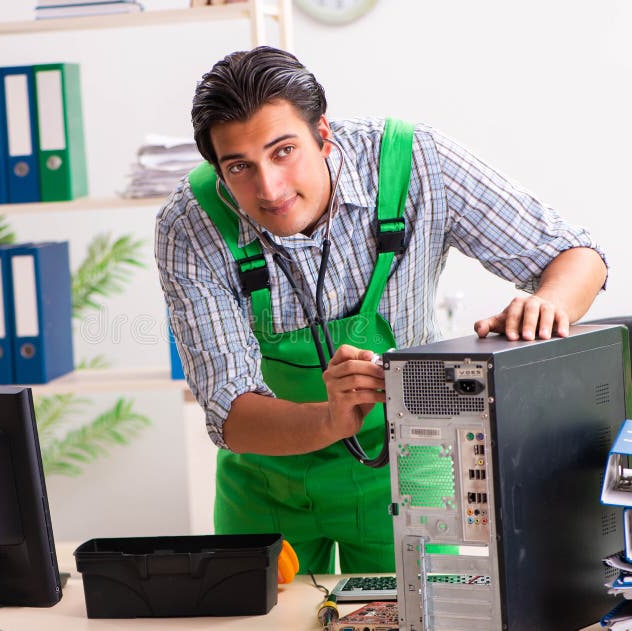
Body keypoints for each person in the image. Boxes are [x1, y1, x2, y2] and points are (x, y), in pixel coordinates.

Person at [154, 46, 607, 574]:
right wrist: (330, 418)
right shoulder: (190, 225)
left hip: (417, 458)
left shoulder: (416, 163)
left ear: (323, 135)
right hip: (267, 478)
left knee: (424, 612)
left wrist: (546, 304)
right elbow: (229, 412)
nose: (269, 189)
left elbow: (575, 255)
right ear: (217, 169)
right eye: (239, 167)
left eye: (283, 152)